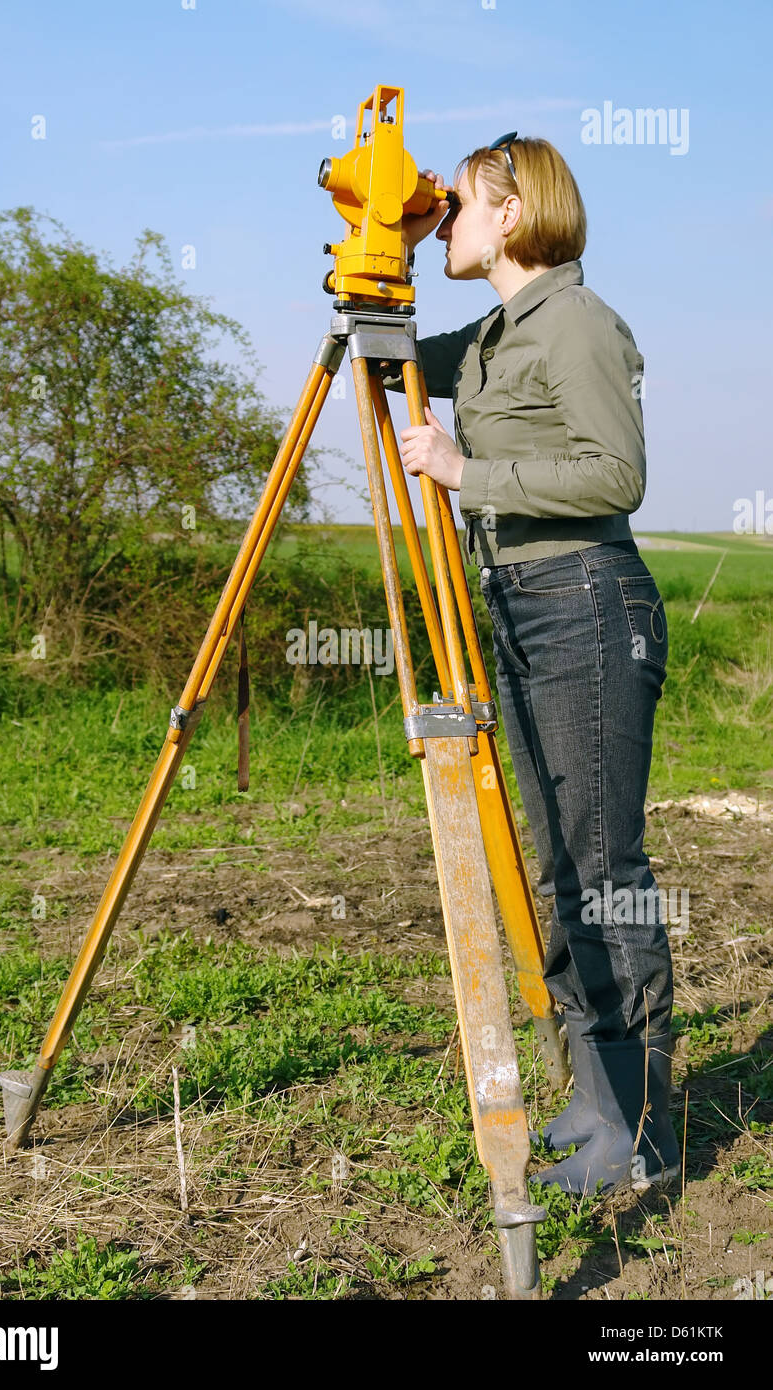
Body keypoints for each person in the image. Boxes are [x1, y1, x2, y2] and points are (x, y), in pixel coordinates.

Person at [381, 134, 680, 1197]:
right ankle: (591, 1100)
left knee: (603, 872)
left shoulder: (576, 324)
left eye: (457, 203)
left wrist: (470, 470)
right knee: (555, 869)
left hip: (585, 605)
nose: (447, 217)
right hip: (518, 607)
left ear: (509, 213)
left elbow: (617, 472)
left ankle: (637, 1128)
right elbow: (391, 358)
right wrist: (399, 241)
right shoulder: (498, 333)